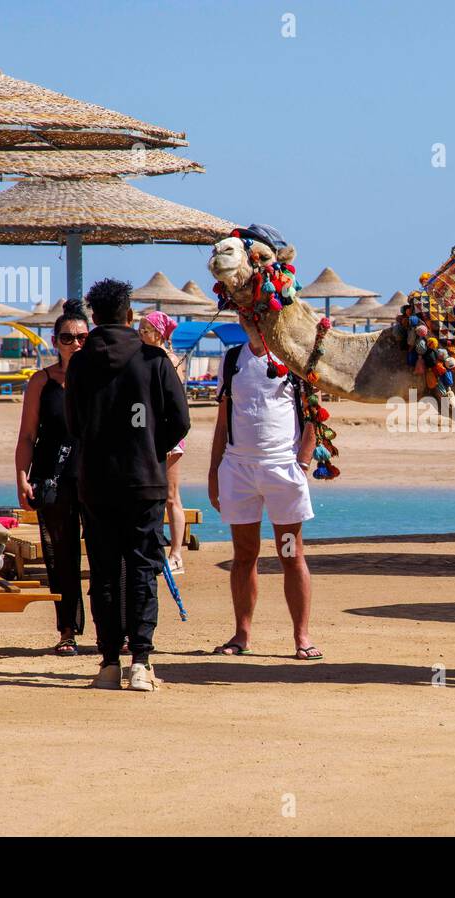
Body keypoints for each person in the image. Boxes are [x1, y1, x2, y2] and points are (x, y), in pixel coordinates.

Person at [65, 279, 189, 692]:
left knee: (102, 570)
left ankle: (108, 662)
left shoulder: (80, 363)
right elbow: (181, 420)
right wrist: (152, 447)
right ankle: (141, 660)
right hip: (143, 481)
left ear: (94, 319)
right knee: (140, 568)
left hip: (96, 480)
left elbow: (73, 423)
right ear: (129, 315)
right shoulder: (154, 359)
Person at [208, 318, 322, 661]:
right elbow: (223, 420)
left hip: (282, 471)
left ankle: (302, 637)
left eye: (258, 318)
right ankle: (241, 635)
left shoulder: (293, 361)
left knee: (290, 553)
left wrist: (301, 465)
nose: (252, 324)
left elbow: (313, 415)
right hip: (238, 471)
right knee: (243, 555)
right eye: (246, 319)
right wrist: (214, 473)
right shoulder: (231, 361)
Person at [15, 304, 89, 656]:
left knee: (106, 554)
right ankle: (67, 630)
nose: (75, 343)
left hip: (94, 477)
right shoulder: (42, 382)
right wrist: (21, 478)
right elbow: (27, 436)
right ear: (55, 341)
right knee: (61, 556)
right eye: (67, 338)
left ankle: (114, 631)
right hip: (52, 478)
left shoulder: (100, 379)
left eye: (81, 337)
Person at [137, 310, 188, 575]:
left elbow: (176, 405)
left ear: (158, 333)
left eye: (145, 329)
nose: (140, 333)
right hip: (148, 435)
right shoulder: (141, 358)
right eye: (139, 328)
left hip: (168, 437)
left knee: (171, 496)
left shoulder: (168, 360)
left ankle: (176, 553)